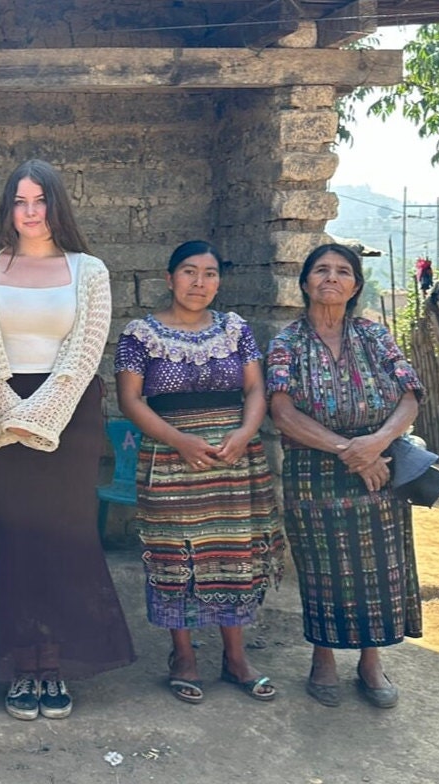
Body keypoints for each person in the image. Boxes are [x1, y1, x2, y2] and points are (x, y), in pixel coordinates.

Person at [0, 159, 135, 721]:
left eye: (40, 201)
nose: (30, 213)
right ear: (7, 208)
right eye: (20, 202)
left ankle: (55, 664)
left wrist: (41, 415)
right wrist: (9, 409)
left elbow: (85, 351)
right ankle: (19, 665)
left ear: (57, 205)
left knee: (65, 538)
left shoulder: (90, 269)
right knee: (10, 539)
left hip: (70, 415)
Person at [114, 240, 285, 705]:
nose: (199, 282)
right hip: (172, 459)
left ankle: (236, 657)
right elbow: (129, 400)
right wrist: (180, 441)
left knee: (231, 552)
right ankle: (183, 656)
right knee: (177, 557)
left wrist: (247, 433)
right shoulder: (140, 334)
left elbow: (255, 389)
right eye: (189, 272)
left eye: (210, 273)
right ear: (169, 279)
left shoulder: (236, 329)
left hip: (234, 459)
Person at [266, 243, 424, 710]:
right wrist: (350, 451)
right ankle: (323, 658)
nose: (331, 278)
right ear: (305, 282)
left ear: (355, 285)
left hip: (379, 468)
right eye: (321, 270)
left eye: (342, 271)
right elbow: (282, 411)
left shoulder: (374, 337)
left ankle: (371, 662)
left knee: (378, 570)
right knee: (322, 569)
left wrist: (375, 445)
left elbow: (409, 396)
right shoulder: (286, 343)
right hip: (315, 473)